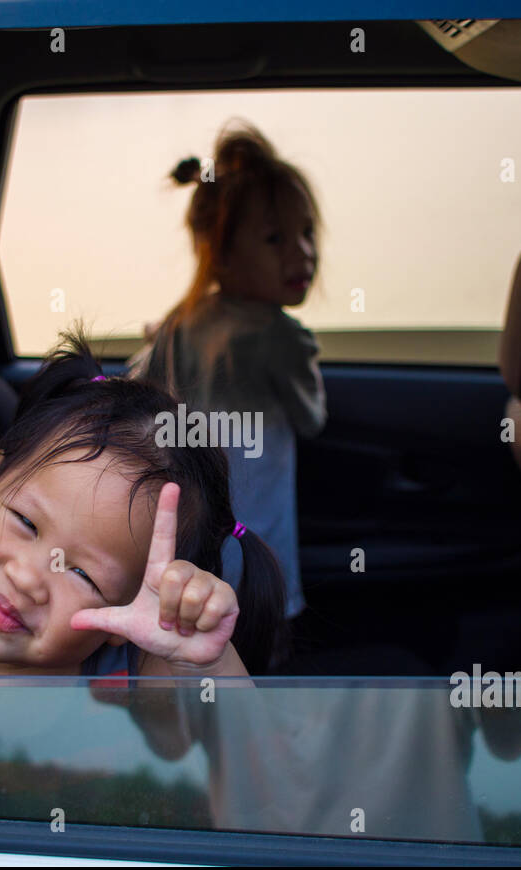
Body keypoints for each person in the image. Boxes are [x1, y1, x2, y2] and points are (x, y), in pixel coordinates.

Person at [0, 330, 286, 680]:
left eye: (83, 575)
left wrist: (209, 666)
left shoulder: (139, 686)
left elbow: (253, 774)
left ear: (131, 607)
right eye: (25, 522)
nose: (27, 579)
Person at [134, 121, 326, 644]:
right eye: (275, 238)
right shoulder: (281, 336)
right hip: (259, 536)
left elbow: (138, 389)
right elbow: (312, 418)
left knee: (196, 639)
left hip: (190, 537)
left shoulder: (180, 322)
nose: (302, 253)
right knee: (262, 637)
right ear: (220, 253)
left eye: (306, 233)